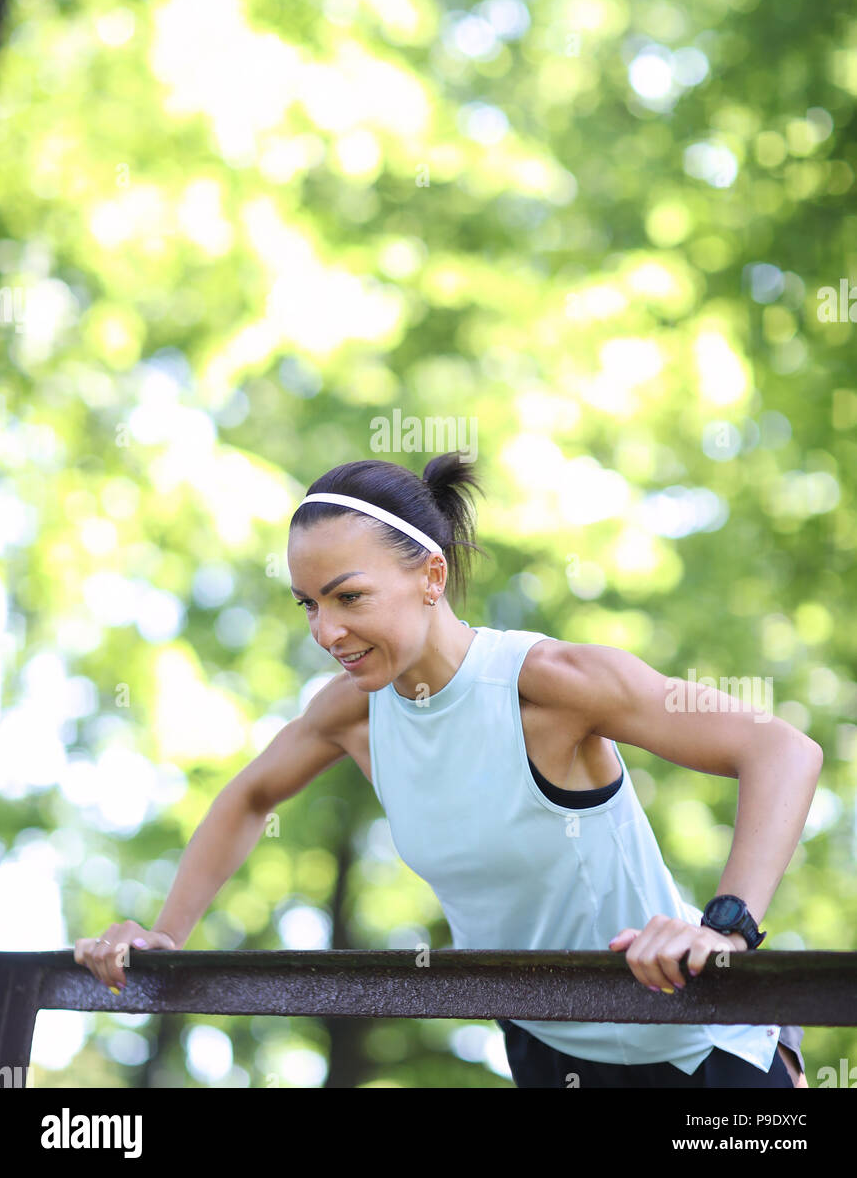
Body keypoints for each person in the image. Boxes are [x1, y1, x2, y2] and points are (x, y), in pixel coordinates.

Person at [75, 451, 820, 1089]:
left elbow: (783, 751)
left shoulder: (552, 682)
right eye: (308, 604)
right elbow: (249, 796)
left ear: (431, 575)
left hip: (699, 1050)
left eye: (349, 597)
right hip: (549, 1048)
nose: (326, 630)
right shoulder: (350, 713)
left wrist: (726, 931)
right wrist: (165, 938)